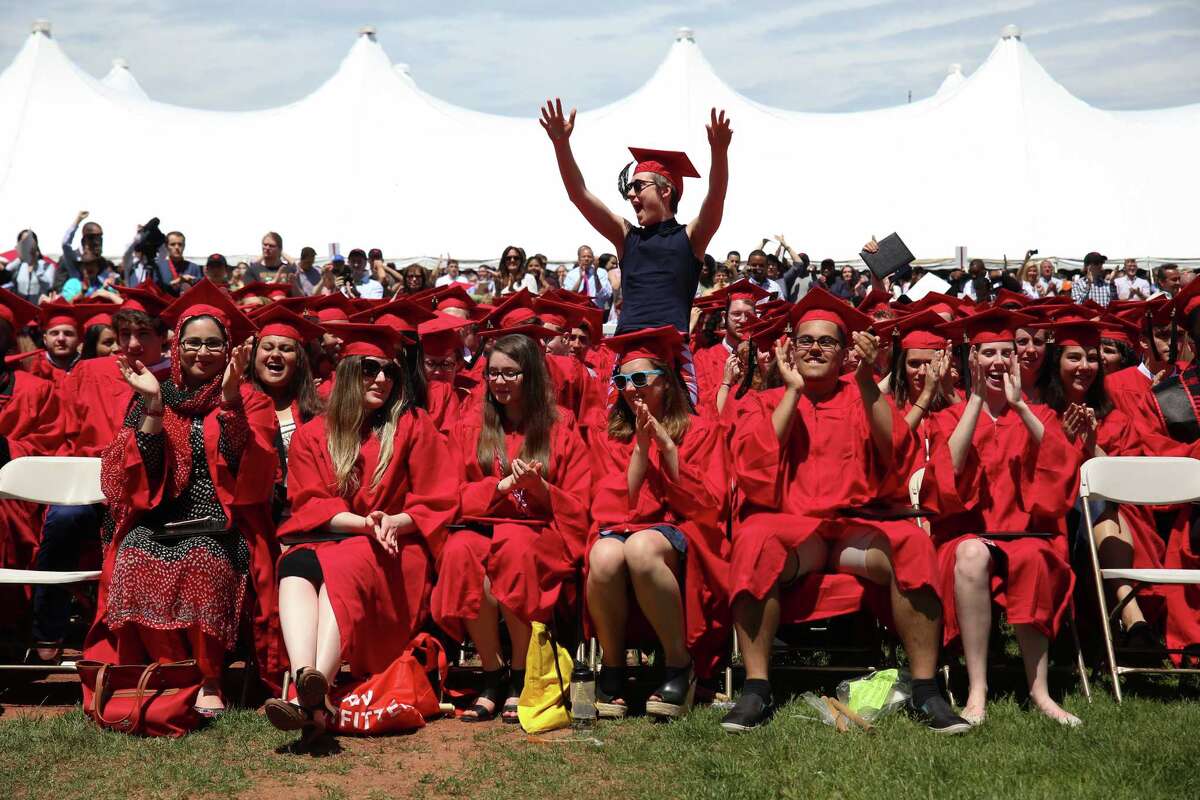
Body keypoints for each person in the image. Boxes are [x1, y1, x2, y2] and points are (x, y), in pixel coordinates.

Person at [725, 288, 965, 734]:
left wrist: (870, 379)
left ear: (844, 351)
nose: (815, 349)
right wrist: (792, 392)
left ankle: (928, 690)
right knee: (755, 539)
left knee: (911, 542)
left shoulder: (860, 396)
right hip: (796, 530)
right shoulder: (762, 401)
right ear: (789, 348)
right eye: (805, 341)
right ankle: (756, 688)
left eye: (827, 341)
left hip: (855, 527)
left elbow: (893, 447)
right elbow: (753, 467)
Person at [85, 281, 277, 717]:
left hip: (226, 527)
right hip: (159, 521)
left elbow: (247, 472)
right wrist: (153, 405)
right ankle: (165, 670)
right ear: (177, 343)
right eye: (193, 342)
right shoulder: (154, 392)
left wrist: (230, 403)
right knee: (134, 557)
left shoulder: (251, 400)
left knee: (201, 561)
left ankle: (209, 678)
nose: (202, 352)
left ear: (229, 349)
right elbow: (137, 473)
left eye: (213, 343)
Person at [264, 323, 459, 740]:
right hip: (340, 536)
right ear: (350, 371)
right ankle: (311, 688)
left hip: (395, 547)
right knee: (295, 564)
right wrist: (365, 523)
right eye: (371, 369)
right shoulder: (314, 434)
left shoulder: (411, 425)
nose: (382, 380)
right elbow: (310, 503)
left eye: (390, 371)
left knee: (344, 561)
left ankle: (305, 696)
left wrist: (389, 522)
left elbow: (438, 498)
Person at [922, 307, 1083, 727]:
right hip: (965, 537)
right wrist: (974, 400)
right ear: (970, 359)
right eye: (986, 352)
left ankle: (1039, 690)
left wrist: (1021, 408)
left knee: (1033, 558)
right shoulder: (948, 417)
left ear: (1017, 359)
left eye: (1005, 352)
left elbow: (1061, 468)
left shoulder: (1041, 414)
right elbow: (945, 477)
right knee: (974, 554)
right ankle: (978, 688)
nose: (997, 361)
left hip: (1027, 535)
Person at [433, 333, 591, 722]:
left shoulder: (559, 426)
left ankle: (521, 675)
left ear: (531, 376)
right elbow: (449, 493)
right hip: (483, 525)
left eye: (510, 374)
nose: (500, 382)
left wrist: (542, 489)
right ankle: (492, 672)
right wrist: (498, 487)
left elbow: (580, 503)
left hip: (539, 531)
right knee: (458, 551)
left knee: (516, 546)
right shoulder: (472, 426)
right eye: (493, 374)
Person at [586, 326, 730, 720]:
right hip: (623, 527)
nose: (631, 388)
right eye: (622, 380)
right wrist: (642, 447)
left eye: (640, 379)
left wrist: (668, 449)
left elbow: (708, 505)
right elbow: (616, 505)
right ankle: (613, 668)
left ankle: (679, 665)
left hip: (682, 531)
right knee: (602, 555)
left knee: (642, 546)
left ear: (666, 382)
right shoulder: (610, 436)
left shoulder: (700, 430)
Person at [540, 98, 730, 346]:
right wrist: (561, 145)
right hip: (627, 352)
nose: (631, 194)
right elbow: (579, 195)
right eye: (630, 187)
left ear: (665, 191)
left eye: (638, 186)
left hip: (671, 355)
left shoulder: (692, 237)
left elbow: (716, 195)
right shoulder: (626, 236)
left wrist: (719, 152)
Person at [246, 304, 326, 524]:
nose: (276, 354)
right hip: (257, 518)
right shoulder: (239, 404)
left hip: (308, 516)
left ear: (298, 360)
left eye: (286, 348)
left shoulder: (317, 410)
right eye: (268, 347)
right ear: (255, 355)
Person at [2, 229, 56, 303]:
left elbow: (48, 286)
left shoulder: (47, 266)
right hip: (19, 308)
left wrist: (34, 264)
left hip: (37, 309)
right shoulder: (18, 264)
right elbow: (4, 277)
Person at [564, 245, 613, 312]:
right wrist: (580, 278)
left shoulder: (601, 272)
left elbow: (606, 295)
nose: (586, 259)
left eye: (589, 256)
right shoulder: (571, 274)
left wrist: (596, 276)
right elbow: (568, 295)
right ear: (579, 259)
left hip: (596, 311)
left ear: (593, 259)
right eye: (583, 256)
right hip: (577, 311)